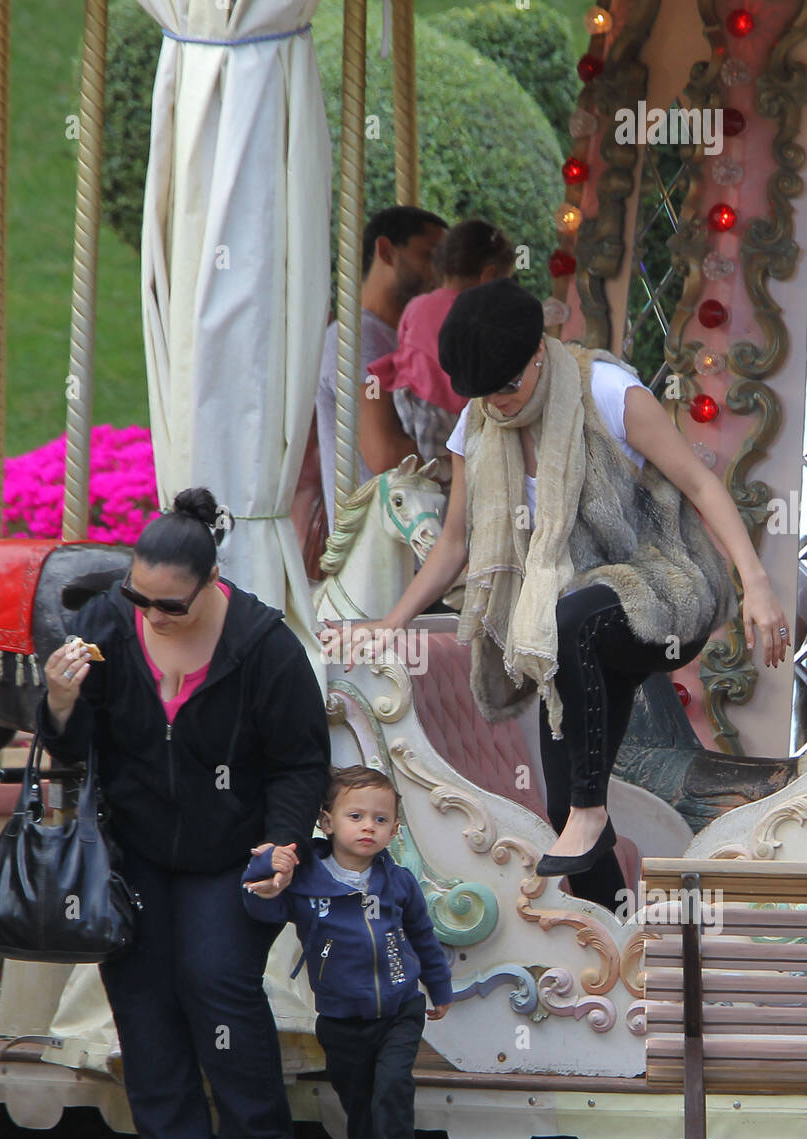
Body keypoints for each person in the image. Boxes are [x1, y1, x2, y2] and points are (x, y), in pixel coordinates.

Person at [323, 281, 791, 914]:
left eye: (508, 387)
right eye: (484, 394)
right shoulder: (480, 422)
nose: (497, 403)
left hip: (664, 585)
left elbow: (703, 487)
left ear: (540, 356)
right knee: (555, 805)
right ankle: (630, 946)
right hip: (570, 623)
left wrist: (755, 586)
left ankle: (591, 808)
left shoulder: (607, 391)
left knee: (573, 624)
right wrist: (393, 620)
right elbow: (456, 541)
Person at [37, 489, 331, 1139]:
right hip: (132, 849)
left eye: (172, 604)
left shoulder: (261, 644)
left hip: (231, 850)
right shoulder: (106, 623)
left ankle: (258, 1138)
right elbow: (71, 752)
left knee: (215, 979)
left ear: (211, 583)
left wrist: (284, 844)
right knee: (139, 992)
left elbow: (299, 761)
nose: (153, 615)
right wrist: (58, 701)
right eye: (141, 599)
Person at [241, 765, 452, 1139]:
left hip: (400, 1007)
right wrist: (263, 868)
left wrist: (440, 987)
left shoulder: (398, 883)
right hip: (339, 1015)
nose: (368, 828)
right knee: (359, 1098)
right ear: (327, 821)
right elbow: (261, 908)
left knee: (393, 1084)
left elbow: (423, 938)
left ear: (395, 828)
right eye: (355, 816)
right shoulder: (305, 884)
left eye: (380, 819)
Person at [316, 205, 447, 531]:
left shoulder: (400, 336)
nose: (440, 273)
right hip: (382, 549)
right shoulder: (357, 338)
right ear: (387, 251)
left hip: (415, 536)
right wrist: (462, 457)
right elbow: (385, 454)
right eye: (430, 256)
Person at [367, 219, 516, 486]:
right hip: (447, 407)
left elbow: (406, 346)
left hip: (409, 403)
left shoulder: (416, 305)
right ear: (489, 276)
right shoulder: (481, 315)